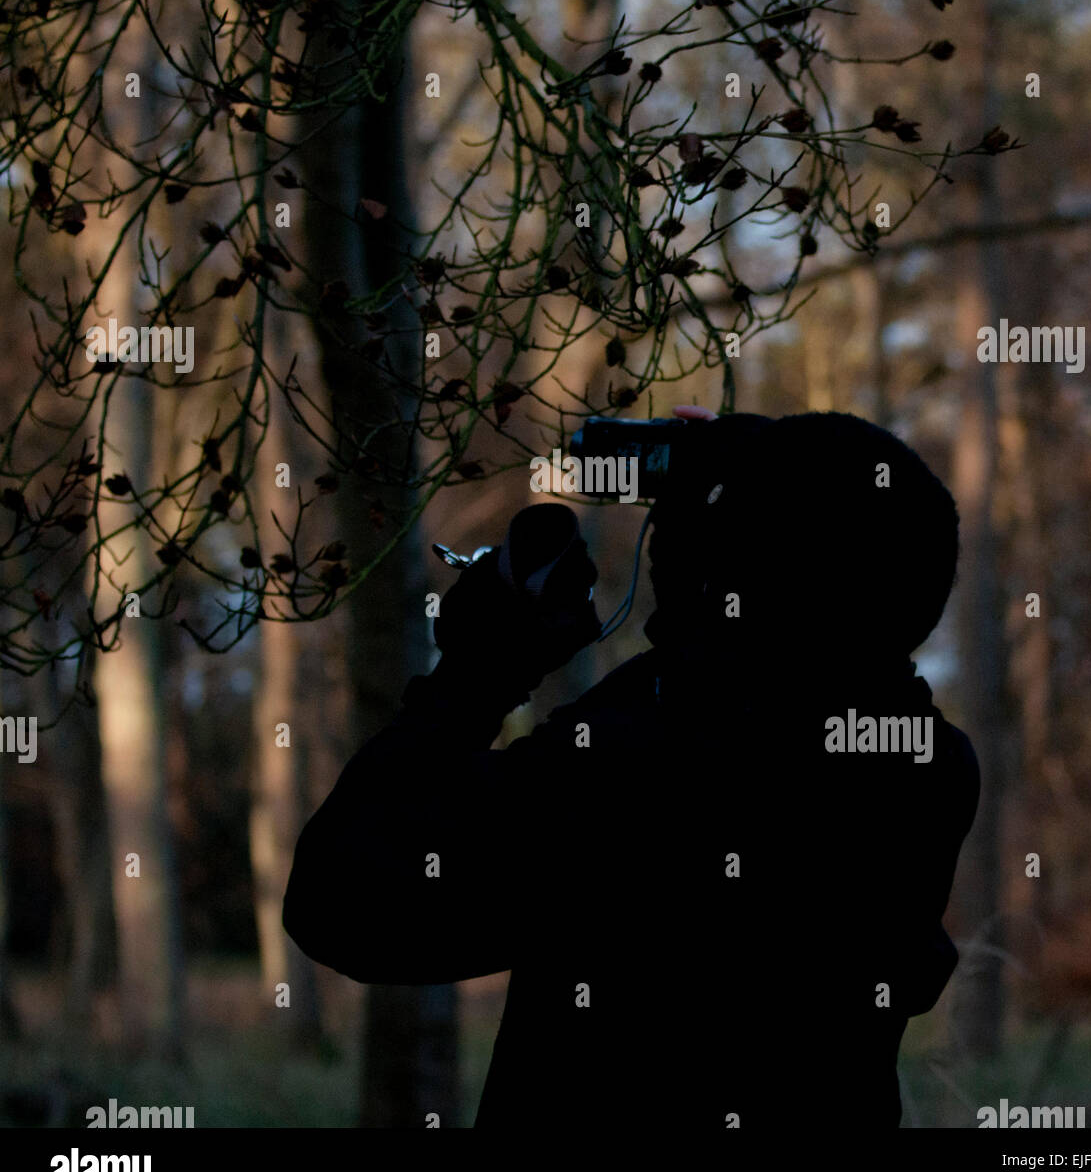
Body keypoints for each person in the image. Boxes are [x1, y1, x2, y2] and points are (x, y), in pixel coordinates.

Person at [283, 408, 980, 1127]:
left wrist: (476, 674)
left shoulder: (637, 764)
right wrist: (744, 485)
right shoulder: (928, 762)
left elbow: (341, 898)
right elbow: (803, 646)